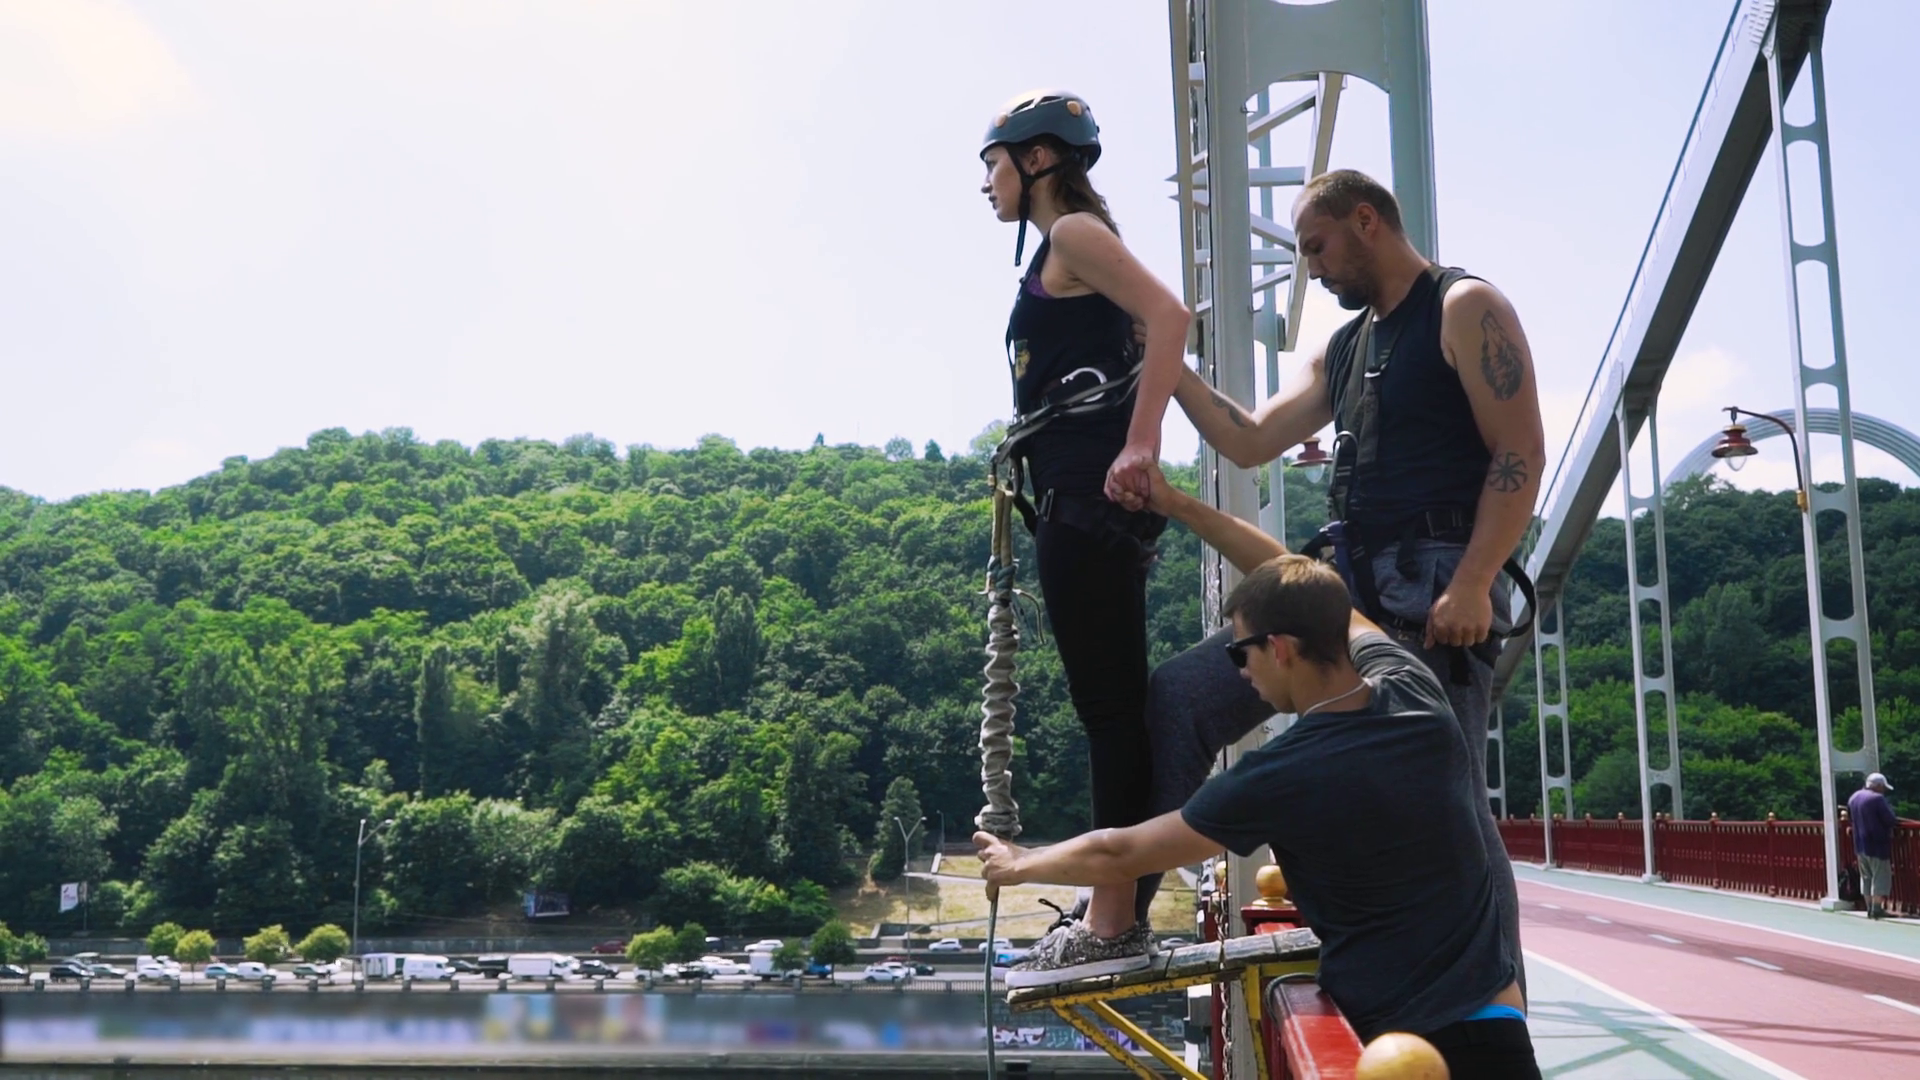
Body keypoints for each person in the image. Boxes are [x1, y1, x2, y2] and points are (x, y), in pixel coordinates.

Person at [1118, 168, 1545, 992]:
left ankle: (1502, 1001)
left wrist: (1473, 581)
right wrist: (1164, 361)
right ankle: (1121, 921)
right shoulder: (1348, 347)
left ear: (1366, 221)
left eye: (1316, 247)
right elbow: (1247, 440)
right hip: (1343, 596)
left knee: (1449, 800)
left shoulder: (1463, 309)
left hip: (1436, 598)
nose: (1311, 269)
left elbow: (1519, 452)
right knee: (1183, 697)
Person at [977, 462, 1542, 1079]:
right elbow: (1303, 583)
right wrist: (1181, 505)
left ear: (1279, 649)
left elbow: (1121, 854)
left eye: (1239, 650)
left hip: (1395, 1047)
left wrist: (1019, 863)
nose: (1237, 669)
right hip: (1500, 1025)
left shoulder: (1282, 776)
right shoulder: (1413, 689)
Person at [976, 89, 1192, 985]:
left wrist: (1140, 445)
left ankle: (1113, 920)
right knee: (1114, 714)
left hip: (1086, 504)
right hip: (1081, 503)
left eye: (991, 163)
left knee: (1111, 717)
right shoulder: (1071, 250)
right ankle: (1118, 909)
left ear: (1037, 161)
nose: (984, 184)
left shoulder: (1070, 238)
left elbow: (1174, 318)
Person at [1848, 772, 1898, 919]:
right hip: (1877, 844)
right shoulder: (1877, 799)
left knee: (1866, 876)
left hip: (1859, 843)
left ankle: (1869, 907)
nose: (1884, 790)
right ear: (1878, 786)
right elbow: (1890, 820)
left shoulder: (1854, 797)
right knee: (1880, 876)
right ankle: (1877, 908)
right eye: (1883, 787)